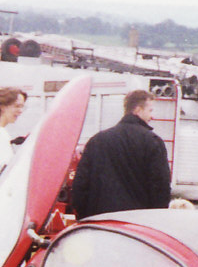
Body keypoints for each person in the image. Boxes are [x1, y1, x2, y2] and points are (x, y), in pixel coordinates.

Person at [69, 88, 171, 217]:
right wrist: (154, 219)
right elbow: (161, 188)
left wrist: (85, 216)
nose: (152, 116)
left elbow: (80, 186)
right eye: (150, 111)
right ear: (138, 110)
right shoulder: (153, 142)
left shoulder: (96, 141)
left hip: (100, 220)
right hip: (136, 222)